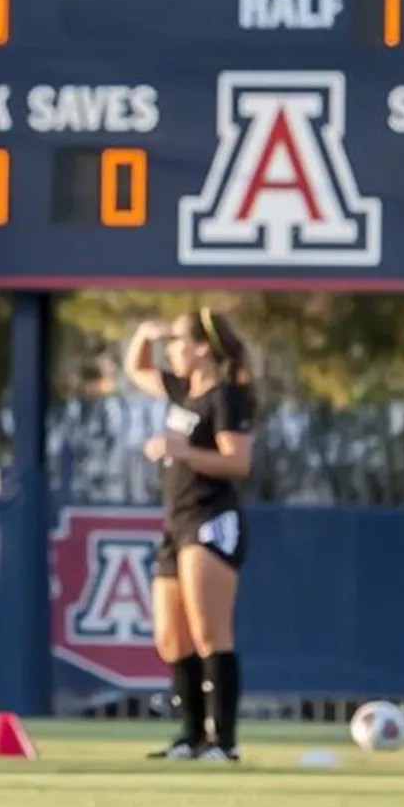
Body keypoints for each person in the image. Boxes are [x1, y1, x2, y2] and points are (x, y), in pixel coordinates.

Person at [122, 308, 257, 763]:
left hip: (211, 518)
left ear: (202, 348)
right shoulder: (183, 391)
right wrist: (145, 332)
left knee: (208, 631)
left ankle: (223, 741)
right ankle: (191, 734)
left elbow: (238, 463)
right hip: (174, 522)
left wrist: (183, 451)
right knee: (170, 637)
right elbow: (137, 369)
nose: (171, 350)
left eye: (179, 341)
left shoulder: (227, 397)